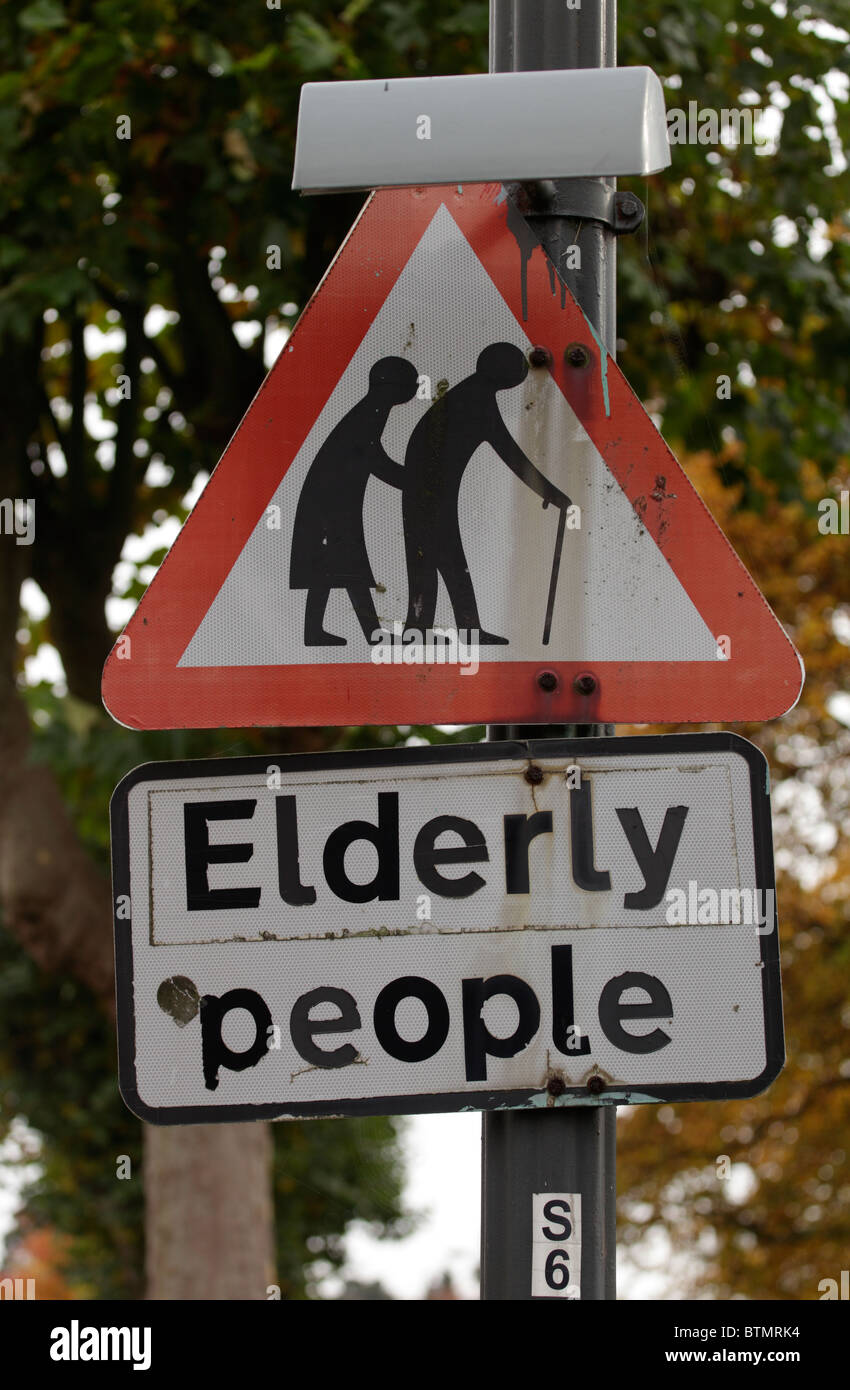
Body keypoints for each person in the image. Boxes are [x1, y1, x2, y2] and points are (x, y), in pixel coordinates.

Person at [402, 342, 571, 642]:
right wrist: (552, 493)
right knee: (443, 563)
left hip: (426, 494)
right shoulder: (477, 401)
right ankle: (436, 630)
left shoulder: (465, 394)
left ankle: (428, 630)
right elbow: (511, 455)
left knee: (434, 562)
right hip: (430, 496)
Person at [290, 356, 419, 645]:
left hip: (335, 499)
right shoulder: (370, 412)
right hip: (330, 502)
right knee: (337, 564)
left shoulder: (372, 408)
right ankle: (342, 633)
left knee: (342, 565)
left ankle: (360, 633)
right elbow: (373, 457)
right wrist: (413, 482)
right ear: (393, 386)